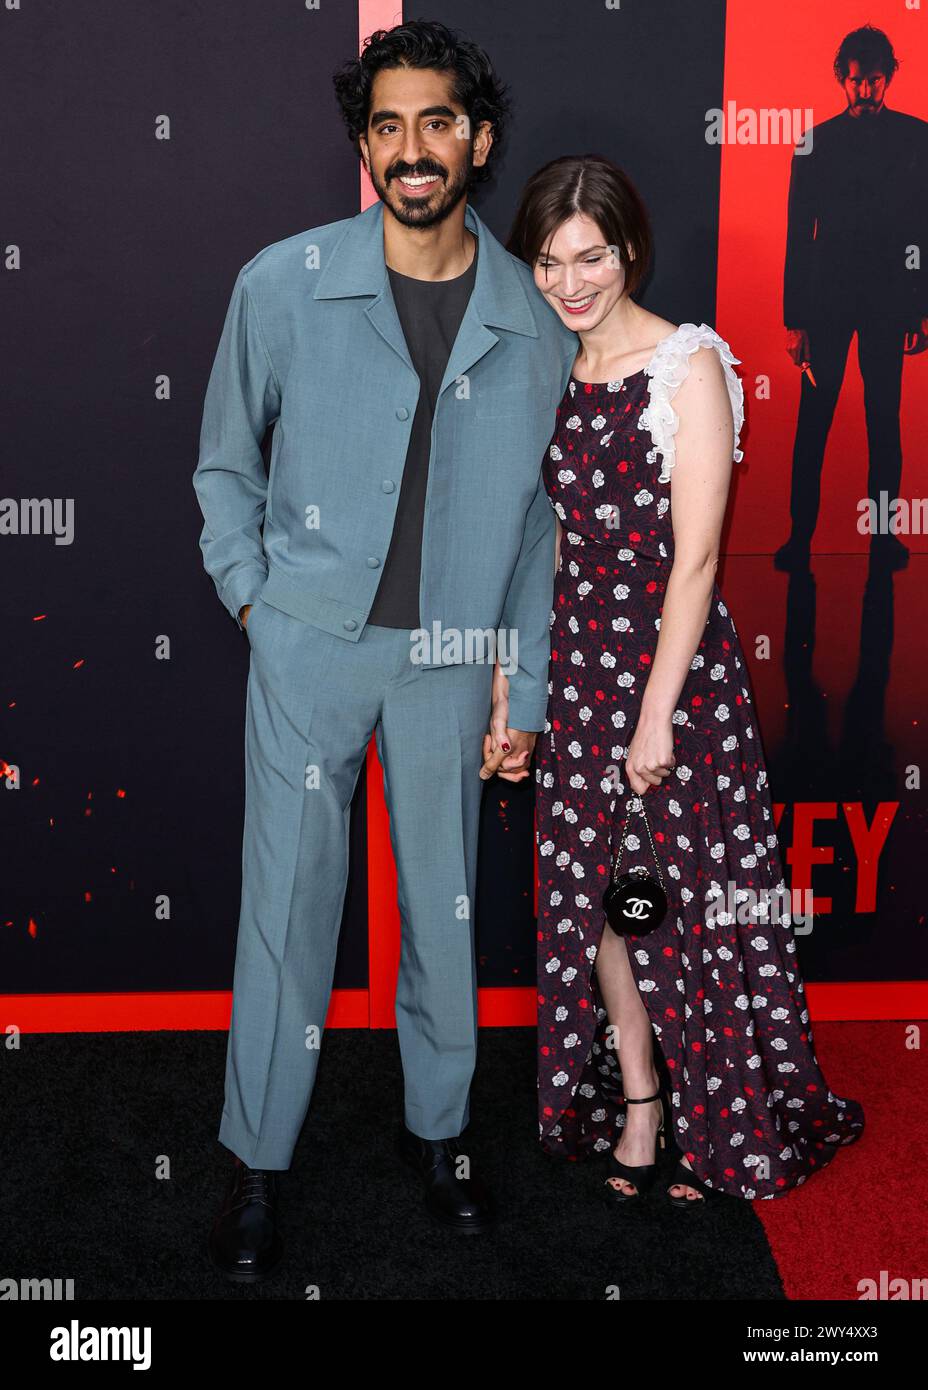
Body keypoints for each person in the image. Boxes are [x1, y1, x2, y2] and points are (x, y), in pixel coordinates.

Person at [192, 20, 576, 1280]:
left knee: (443, 911)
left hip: (454, 658)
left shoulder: (534, 316)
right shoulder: (282, 281)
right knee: (288, 911)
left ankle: (442, 1132)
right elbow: (224, 461)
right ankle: (256, 1160)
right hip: (310, 649)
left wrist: (520, 667)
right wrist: (255, 599)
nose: (412, 150)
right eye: (387, 125)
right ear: (365, 142)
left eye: (437, 122)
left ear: (479, 136)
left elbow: (542, 521)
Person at [484, 153, 865, 1206]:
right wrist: (522, 687)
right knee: (602, 904)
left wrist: (654, 715)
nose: (571, 282)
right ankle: (642, 1103)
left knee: (685, 904)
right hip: (575, 668)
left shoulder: (688, 363)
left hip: (671, 679)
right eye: (550, 261)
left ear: (629, 251)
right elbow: (543, 544)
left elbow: (697, 557)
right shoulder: (540, 368)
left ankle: (719, 1113)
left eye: (591, 257)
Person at [778, 24, 928, 573]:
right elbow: (798, 232)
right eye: (858, 82)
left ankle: (883, 539)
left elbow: (923, 228)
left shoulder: (918, 138)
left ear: (889, 79)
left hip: (890, 299)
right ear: (843, 79)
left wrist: (922, 306)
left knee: (883, 420)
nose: (867, 92)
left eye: (876, 82)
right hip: (826, 301)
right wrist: (796, 320)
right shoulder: (816, 141)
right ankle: (799, 538)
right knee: (813, 417)